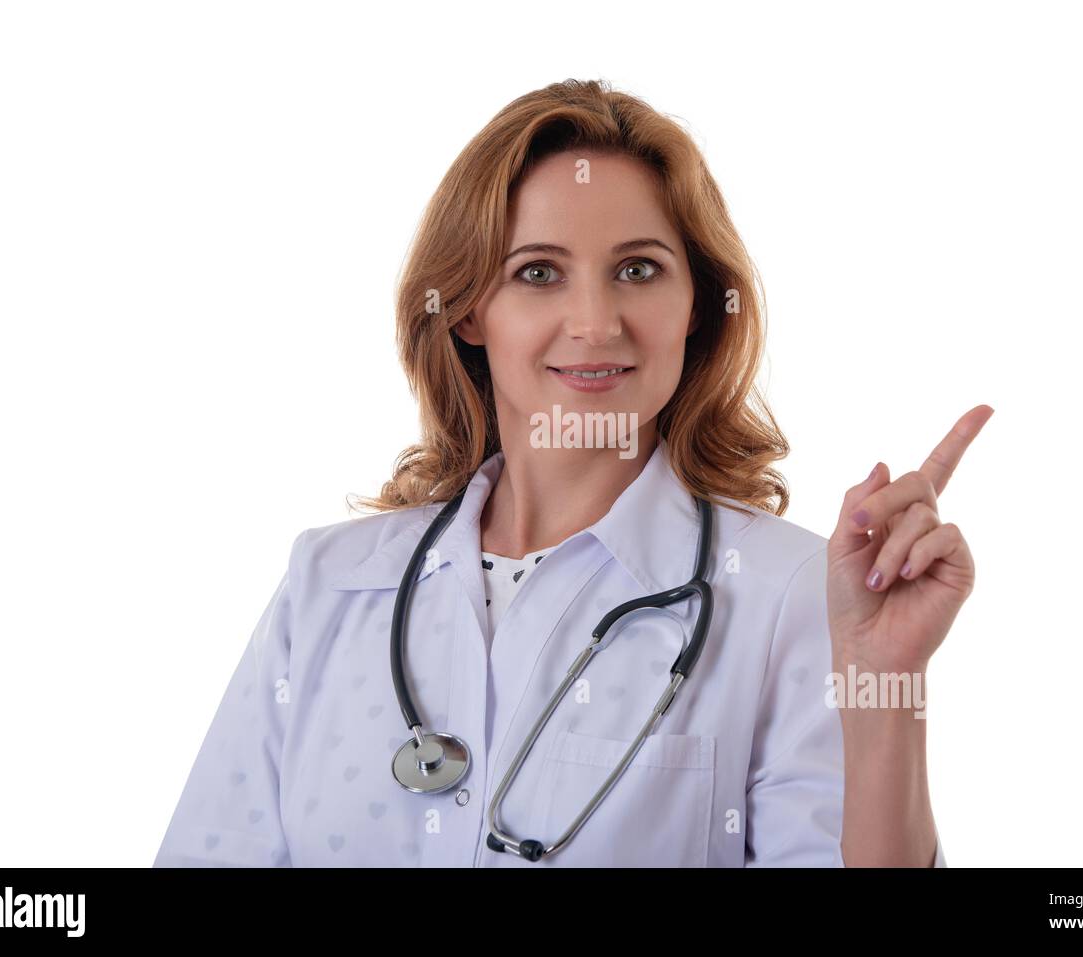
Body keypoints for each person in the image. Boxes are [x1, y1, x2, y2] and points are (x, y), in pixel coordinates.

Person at [153, 78, 991, 867]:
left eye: (637, 269)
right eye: (539, 272)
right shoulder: (328, 584)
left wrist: (887, 687)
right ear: (471, 308)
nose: (594, 324)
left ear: (696, 302)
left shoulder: (792, 596)